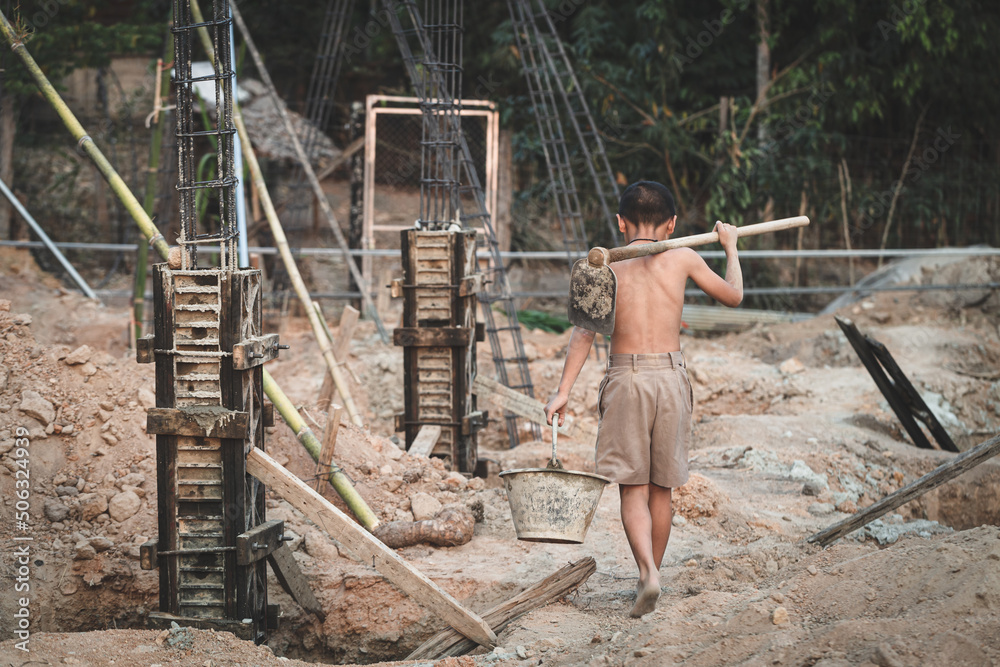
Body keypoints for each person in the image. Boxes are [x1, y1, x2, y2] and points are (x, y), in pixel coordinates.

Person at [544, 181, 743, 617]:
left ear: (620, 222)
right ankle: (651, 575)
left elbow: (583, 334)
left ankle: (647, 573)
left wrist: (562, 393)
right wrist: (730, 246)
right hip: (671, 378)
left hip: (626, 377)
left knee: (631, 488)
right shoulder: (684, 256)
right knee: (661, 490)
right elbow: (734, 295)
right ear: (671, 224)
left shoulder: (605, 267)